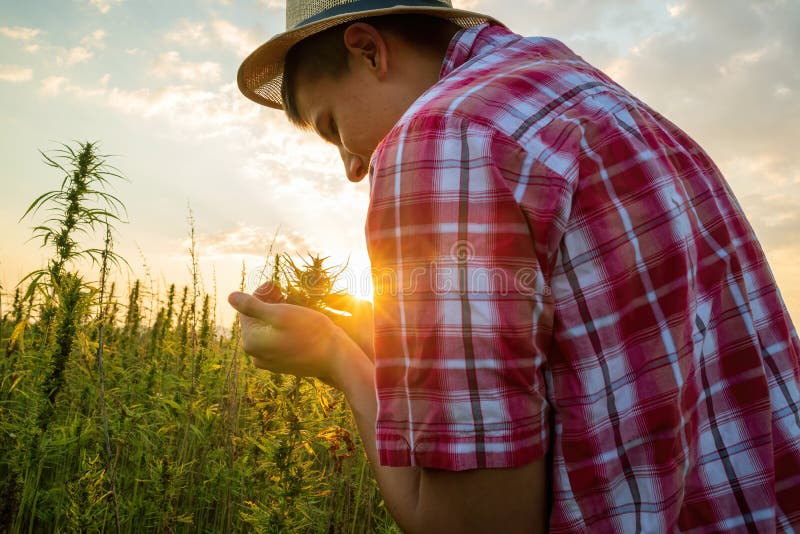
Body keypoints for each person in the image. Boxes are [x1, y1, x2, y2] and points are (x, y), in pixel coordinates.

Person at [228, 1, 800, 532]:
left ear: (368, 50)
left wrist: (336, 358)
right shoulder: (601, 102)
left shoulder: (441, 136)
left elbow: (478, 523)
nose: (352, 167)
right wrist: (365, 331)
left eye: (332, 128)